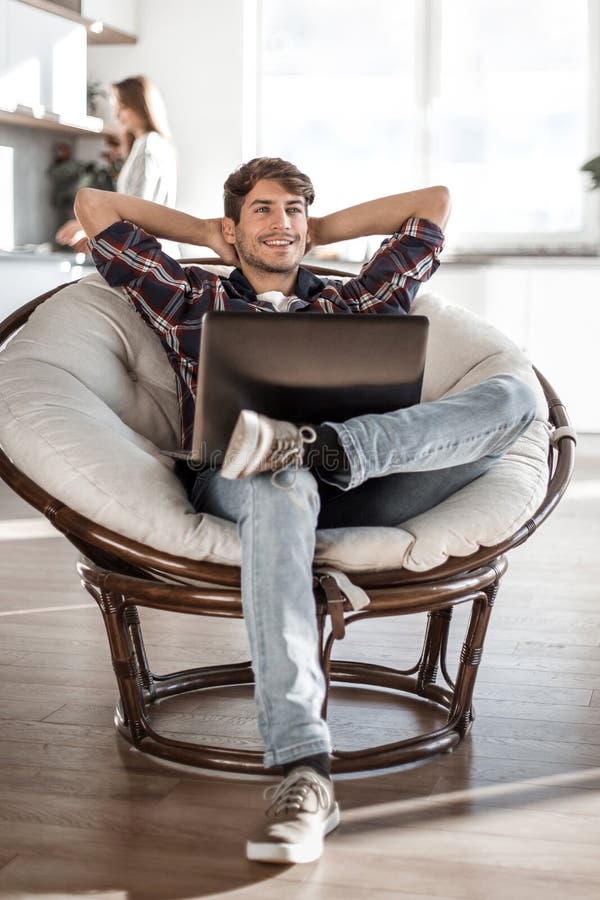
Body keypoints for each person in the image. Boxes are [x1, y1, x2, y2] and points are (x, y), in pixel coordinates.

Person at [73, 158, 536, 866]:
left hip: (359, 481)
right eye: (263, 210)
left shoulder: (354, 301)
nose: (281, 221)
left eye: (294, 209)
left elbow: (434, 204)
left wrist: (320, 230)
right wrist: (206, 232)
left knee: (515, 397)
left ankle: (320, 446)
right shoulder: (189, 298)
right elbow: (95, 204)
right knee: (276, 478)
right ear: (233, 227)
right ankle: (305, 772)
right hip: (242, 482)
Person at [56, 75, 178, 255]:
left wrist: (86, 225)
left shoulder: (149, 145)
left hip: (150, 255)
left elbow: (138, 209)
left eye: (123, 106)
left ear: (142, 105)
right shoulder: (148, 144)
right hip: (149, 252)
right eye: (116, 106)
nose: (116, 114)